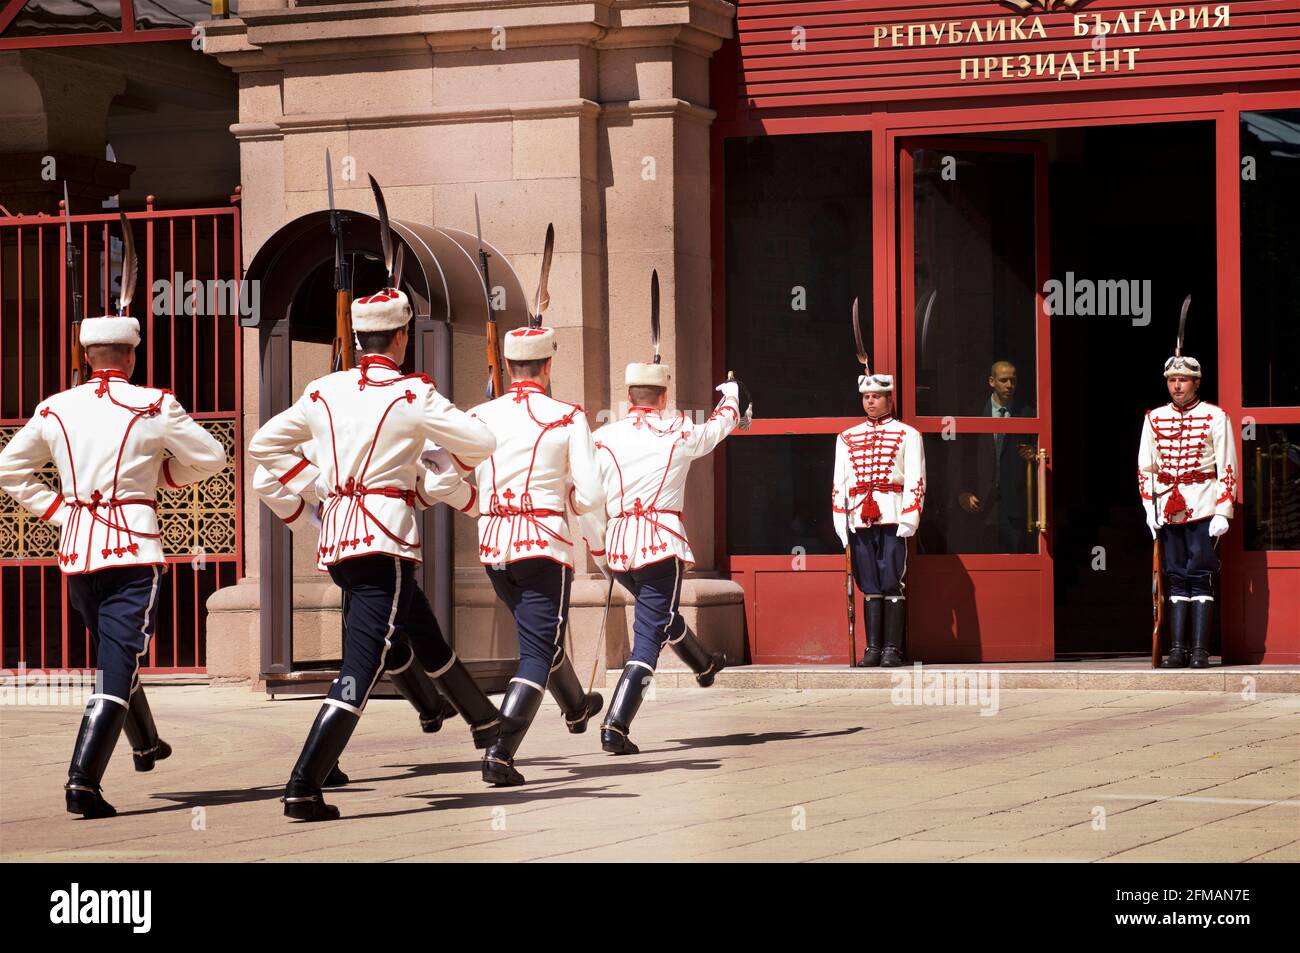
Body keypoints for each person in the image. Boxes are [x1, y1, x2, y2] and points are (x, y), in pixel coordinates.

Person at [248, 278, 502, 821]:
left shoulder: (322, 390)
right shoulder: (413, 394)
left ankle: (484, 722)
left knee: (418, 626)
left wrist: (319, 483)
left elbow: (262, 443)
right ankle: (303, 785)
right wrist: (435, 477)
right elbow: (480, 443)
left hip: (339, 538)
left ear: (361, 339)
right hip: (384, 538)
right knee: (361, 667)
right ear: (403, 337)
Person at [0, 311, 227, 818]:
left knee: (113, 656)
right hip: (132, 550)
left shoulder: (55, 408)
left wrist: (57, 510)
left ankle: (146, 744)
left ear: (85, 356)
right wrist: (167, 473)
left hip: (78, 549)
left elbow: (9, 467)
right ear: (132, 354)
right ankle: (82, 781)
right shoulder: (154, 404)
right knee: (117, 665)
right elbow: (212, 457)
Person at [424, 324, 606, 786]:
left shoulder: (479, 415)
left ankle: (576, 705)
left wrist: (481, 507)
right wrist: (568, 498)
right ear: (548, 366)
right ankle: (500, 751)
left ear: (506, 366)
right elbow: (591, 492)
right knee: (537, 652)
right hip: (543, 545)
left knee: (539, 638)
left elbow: (440, 480)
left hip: (495, 548)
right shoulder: (568, 416)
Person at [577, 359, 742, 755]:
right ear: (664, 396)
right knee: (648, 637)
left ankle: (703, 664)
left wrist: (600, 551)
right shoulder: (678, 429)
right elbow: (719, 427)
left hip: (618, 546)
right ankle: (616, 724)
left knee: (660, 615)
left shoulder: (603, 436)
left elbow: (587, 501)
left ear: (629, 395)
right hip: (658, 544)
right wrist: (732, 396)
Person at [1139, 330, 1236, 669]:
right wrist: (1149, 507)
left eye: (1183, 380)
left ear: (1197, 382)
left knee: (1200, 574)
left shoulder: (1215, 416)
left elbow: (1227, 465)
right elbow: (1146, 467)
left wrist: (1223, 510)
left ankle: (1200, 650)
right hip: (1167, 508)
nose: (1177, 386)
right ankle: (1177, 649)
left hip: (1204, 505)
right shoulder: (1154, 418)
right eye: (1172, 380)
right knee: (1174, 575)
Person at [832, 369, 925, 668]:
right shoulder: (847, 437)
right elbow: (839, 482)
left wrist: (910, 517)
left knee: (891, 579)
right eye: (867, 397)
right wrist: (841, 521)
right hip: (859, 516)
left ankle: (892, 649)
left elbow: (916, 477)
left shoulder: (908, 434)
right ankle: (873, 648)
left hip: (893, 514)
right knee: (868, 580)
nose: (870, 402)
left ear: (889, 398)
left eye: (876, 397)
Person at [957, 360, 1036, 554]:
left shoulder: (1028, 414)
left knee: (1015, 561)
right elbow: (962, 457)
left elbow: (1038, 450)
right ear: (991, 381)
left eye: (1013, 380)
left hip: (1016, 505)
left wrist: (1033, 454)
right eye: (1004, 380)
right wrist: (962, 491)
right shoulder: (974, 413)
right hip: (980, 503)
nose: (1009, 385)